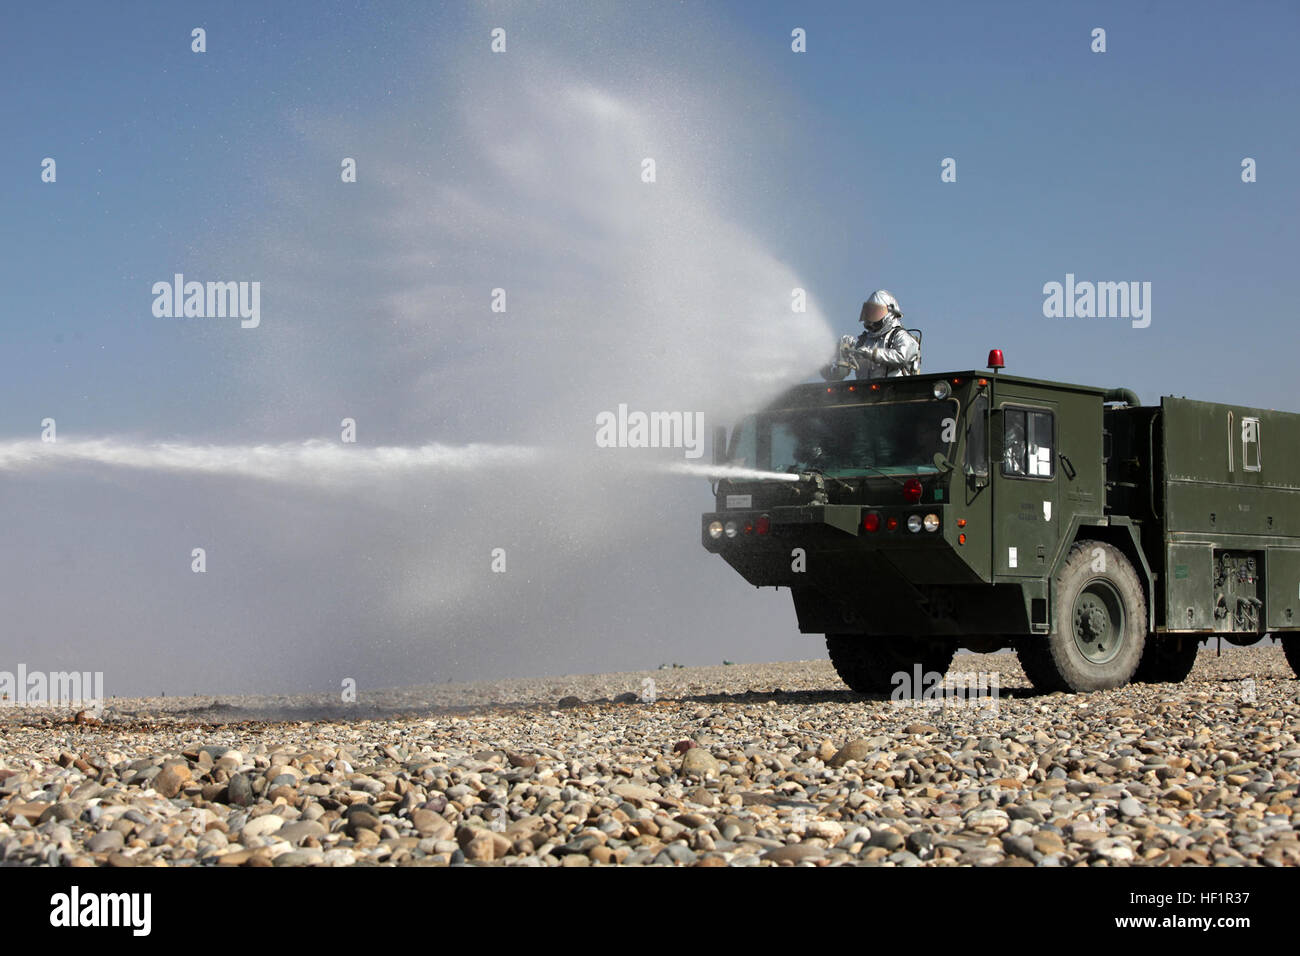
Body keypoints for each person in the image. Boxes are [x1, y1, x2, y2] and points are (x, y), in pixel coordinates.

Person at [820, 290, 921, 380]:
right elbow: (854, 359)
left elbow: (902, 356)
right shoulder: (865, 340)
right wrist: (845, 350)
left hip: (895, 389)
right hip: (864, 391)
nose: (871, 318)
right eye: (869, 312)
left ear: (890, 313)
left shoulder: (899, 335)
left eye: (876, 312)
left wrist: (873, 354)